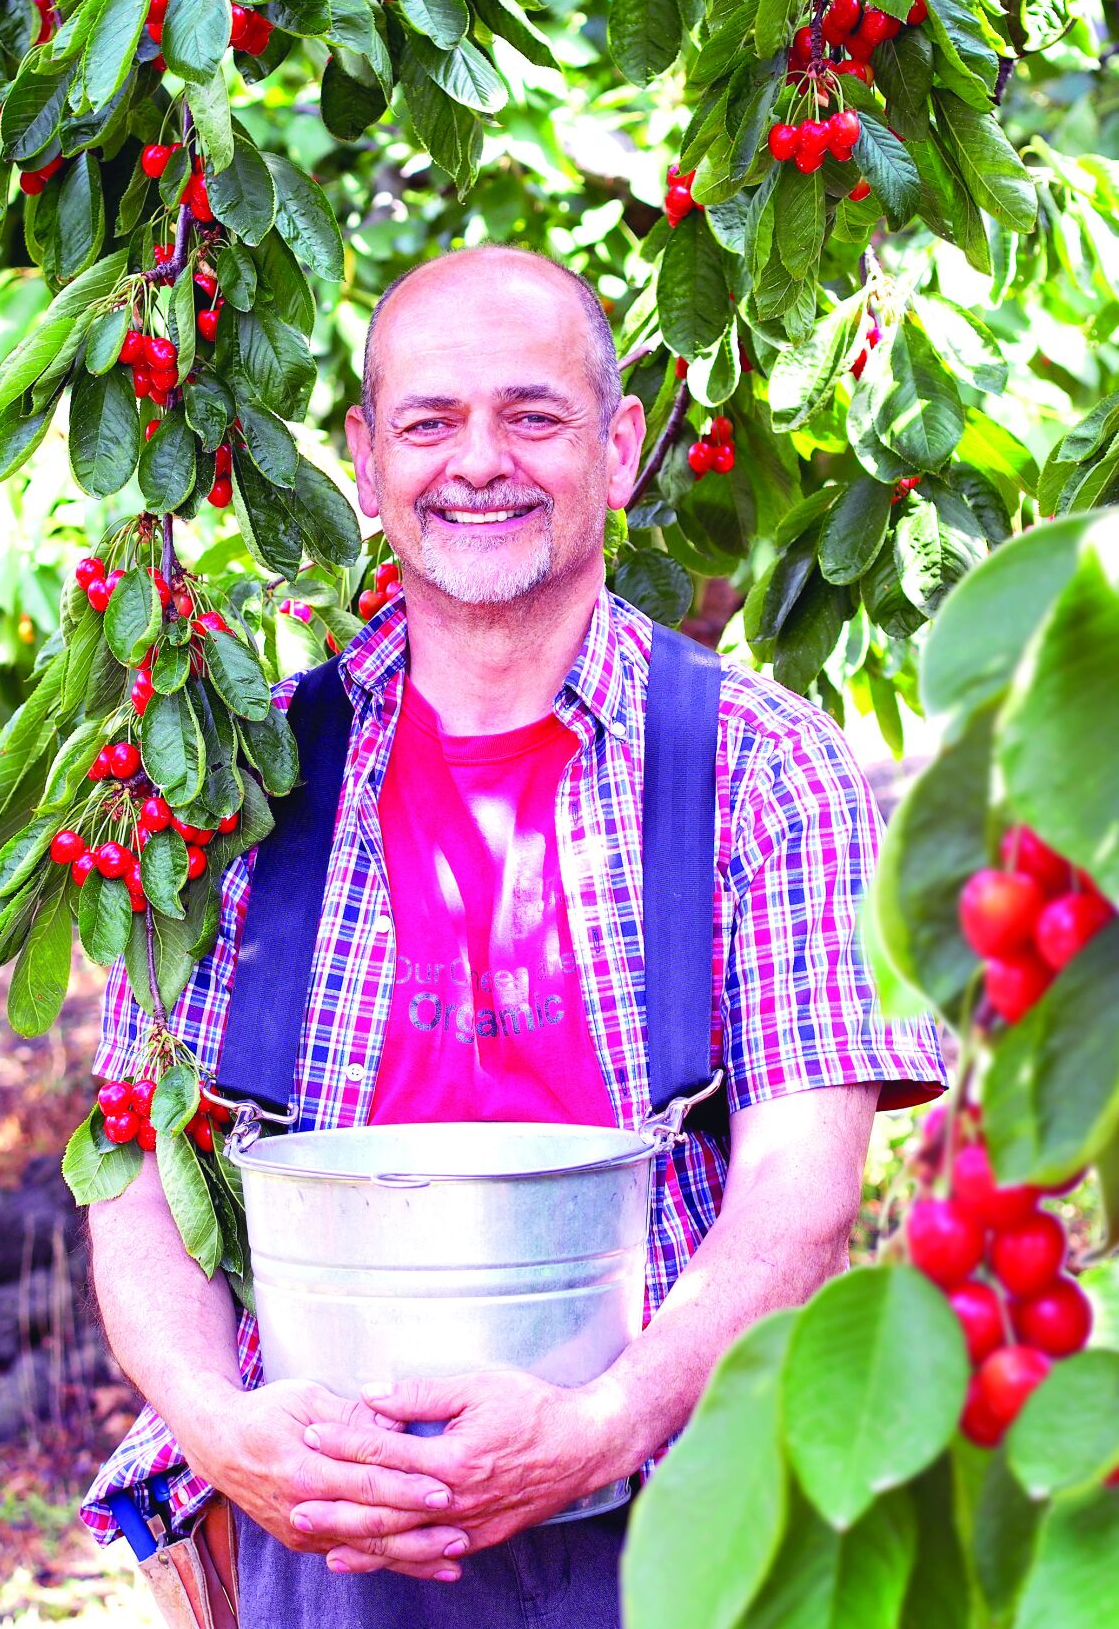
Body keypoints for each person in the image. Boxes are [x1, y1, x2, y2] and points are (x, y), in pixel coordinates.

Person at [83, 246, 946, 1625]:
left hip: (662, 1516)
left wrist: (601, 1424)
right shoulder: (238, 785)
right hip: (322, 1536)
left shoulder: (756, 765)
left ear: (616, 447)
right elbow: (130, 1170)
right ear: (365, 464)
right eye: (429, 422)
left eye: (532, 416)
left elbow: (802, 1187)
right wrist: (213, 1425)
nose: (477, 460)